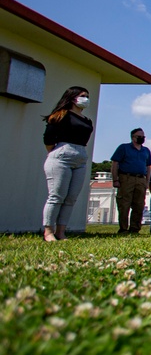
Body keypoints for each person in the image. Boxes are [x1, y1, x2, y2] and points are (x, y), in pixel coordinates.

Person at [41, 86, 94, 241]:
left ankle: (61, 231)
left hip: (80, 158)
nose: (86, 99)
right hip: (61, 156)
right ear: (72, 98)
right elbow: (48, 139)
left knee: (71, 198)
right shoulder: (60, 115)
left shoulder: (86, 120)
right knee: (57, 195)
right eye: (83, 96)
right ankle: (48, 231)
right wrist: (57, 152)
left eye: (87, 96)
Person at [110, 127, 151, 234]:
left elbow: (148, 167)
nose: (142, 138)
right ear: (133, 137)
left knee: (139, 205)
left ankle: (135, 229)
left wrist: (147, 181)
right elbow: (115, 164)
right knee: (124, 204)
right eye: (139, 136)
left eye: (143, 137)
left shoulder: (146, 150)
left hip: (141, 179)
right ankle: (123, 229)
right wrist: (115, 179)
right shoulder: (124, 148)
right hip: (126, 178)